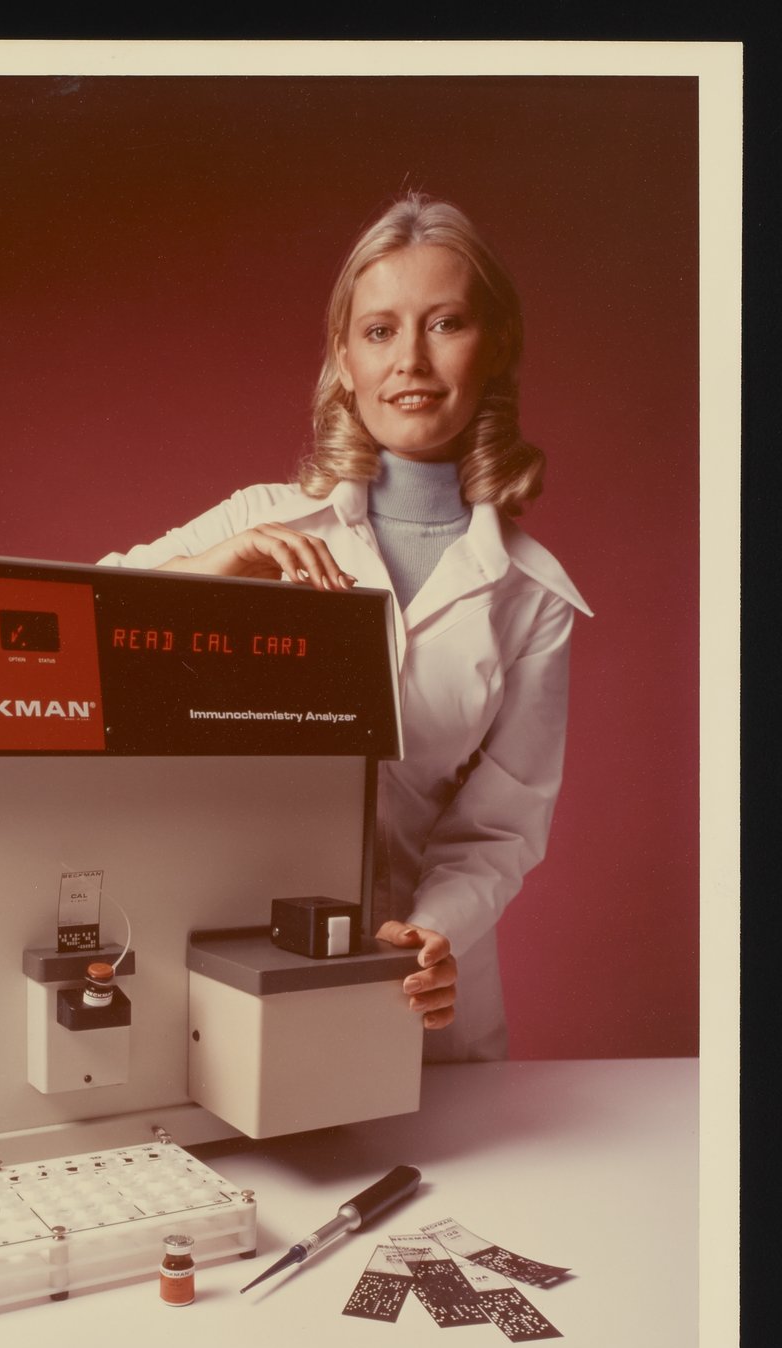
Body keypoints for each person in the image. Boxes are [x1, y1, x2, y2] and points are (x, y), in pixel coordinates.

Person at [99, 192, 592, 1061]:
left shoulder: (532, 595)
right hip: (243, 970)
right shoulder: (260, 520)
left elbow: (499, 828)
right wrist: (206, 575)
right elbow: (83, 616)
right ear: (343, 355)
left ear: (498, 343)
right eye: (378, 331)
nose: (410, 360)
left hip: (427, 995)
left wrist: (431, 935)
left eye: (445, 324)